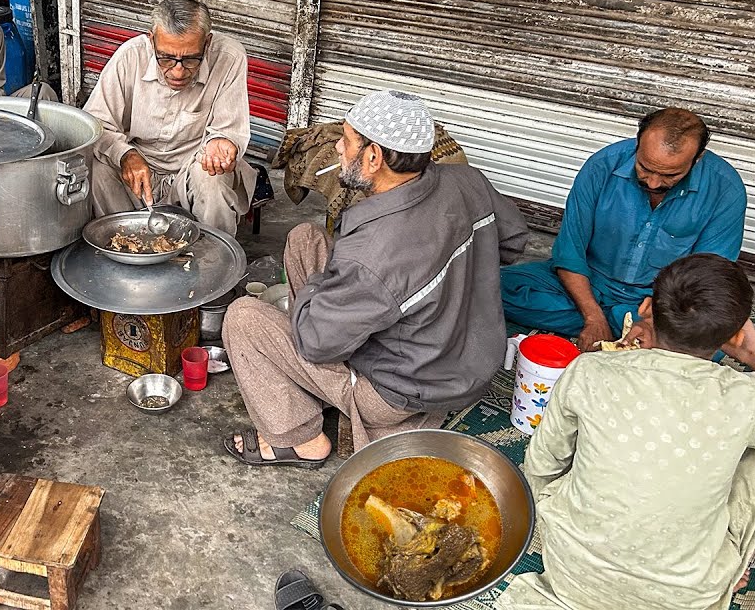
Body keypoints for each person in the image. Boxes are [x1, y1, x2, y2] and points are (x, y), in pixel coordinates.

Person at [221, 90, 529, 466]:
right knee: (306, 238)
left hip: (400, 393)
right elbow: (512, 243)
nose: (337, 147)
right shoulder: (468, 181)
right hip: (468, 357)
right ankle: (319, 365)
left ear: (373, 157)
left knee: (243, 317)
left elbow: (317, 344)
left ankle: (300, 440)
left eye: (346, 140)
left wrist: (325, 288)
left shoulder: (373, 254)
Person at [498, 253, 755, 610]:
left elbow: (543, 464)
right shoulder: (747, 396)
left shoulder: (590, 370)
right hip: (685, 594)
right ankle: (730, 558)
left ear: (646, 307)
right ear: (735, 336)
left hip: (571, 569)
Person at [500, 107, 746, 351]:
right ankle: (628, 331)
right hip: (589, 282)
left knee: (709, 333)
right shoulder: (602, 166)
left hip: (662, 303)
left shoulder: (725, 190)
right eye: (645, 168)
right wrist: (592, 315)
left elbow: (708, 279)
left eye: (670, 174)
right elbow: (569, 253)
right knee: (490, 286)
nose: (653, 182)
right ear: (637, 144)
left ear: (698, 158)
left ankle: (630, 329)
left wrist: (651, 319)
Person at [83, 0, 257, 235]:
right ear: (151, 40)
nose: (177, 71)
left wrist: (222, 143)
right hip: (140, 171)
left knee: (213, 177)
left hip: (192, 166)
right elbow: (95, 124)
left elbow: (228, 130)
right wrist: (125, 155)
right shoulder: (130, 56)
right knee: (94, 166)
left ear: (207, 44)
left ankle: (210, 263)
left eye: (190, 59)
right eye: (166, 57)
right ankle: (125, 245)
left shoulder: (229, 57)